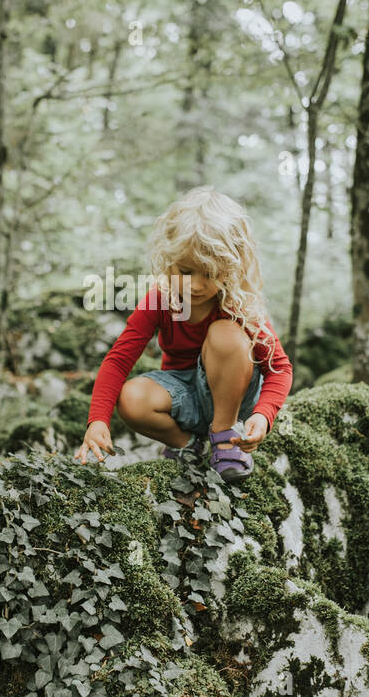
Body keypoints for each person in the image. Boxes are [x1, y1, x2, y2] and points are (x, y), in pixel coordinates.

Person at [73, 188, 293, 481]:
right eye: (186, 271)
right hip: (184, 398)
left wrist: (263, 415)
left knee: (225, 334)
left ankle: (225, 438)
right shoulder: (160, 299)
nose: (196, 285)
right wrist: (98, 420)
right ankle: (188, 446)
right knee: (131, 397)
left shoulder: (240, 305)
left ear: (232, 268)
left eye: (210, 273)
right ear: (169, 260)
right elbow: (118, 360)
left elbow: (280, 369)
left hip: (234, 397)